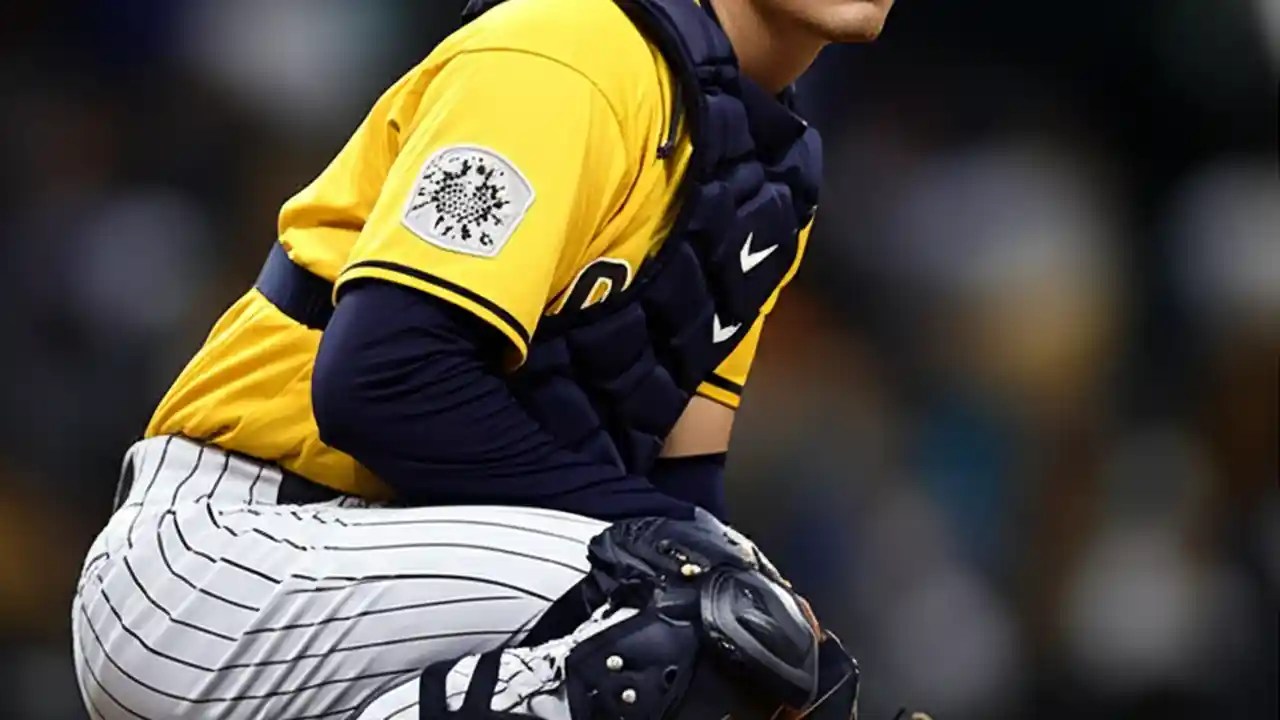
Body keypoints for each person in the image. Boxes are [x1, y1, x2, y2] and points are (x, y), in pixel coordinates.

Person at [70, 0, 898, 717]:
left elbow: (678, 486)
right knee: (689, 617)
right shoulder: (568, 48)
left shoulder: (761, 181)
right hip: (229, 560)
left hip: (399, 587)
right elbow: (383, 380)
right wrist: (716, 583)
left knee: (756, 652)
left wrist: (784, 658)